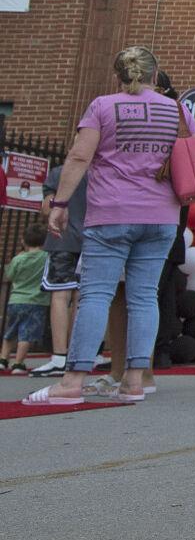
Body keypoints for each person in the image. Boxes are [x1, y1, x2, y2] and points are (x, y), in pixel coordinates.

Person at [24, 45, 183, 406]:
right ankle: (133, 381)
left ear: (118, 76)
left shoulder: (103, 106)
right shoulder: (176, 110)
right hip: (161, 216)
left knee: (96, 294)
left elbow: (80, 156)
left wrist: (60, 204)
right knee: (144, 298)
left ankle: (72, 381)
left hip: (111, 213)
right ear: (155, 76)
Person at [32, 153, 88, 377]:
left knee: (60, 294)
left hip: (62, 238)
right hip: (94, 239)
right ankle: (80, 354)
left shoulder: (58, 172)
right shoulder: (104, 171)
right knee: (83, 297)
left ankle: (58, 357)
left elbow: (46, 208)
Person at [2, 221, 50, 373]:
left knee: (10, 331)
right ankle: (18, 363)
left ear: (23, 241)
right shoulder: (46, 257)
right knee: (26, 333)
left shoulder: (18, 259)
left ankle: (3, 359)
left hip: (15, 300)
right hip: (36, 301)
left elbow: (9, 275)